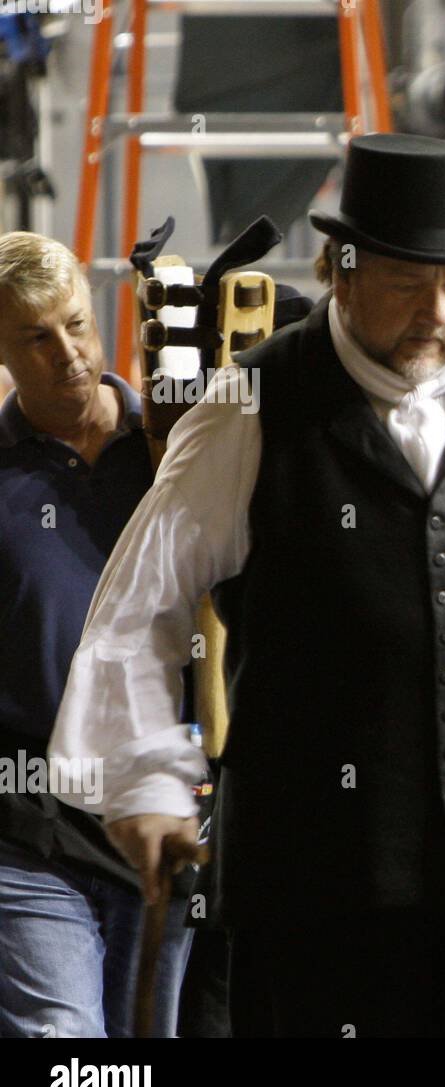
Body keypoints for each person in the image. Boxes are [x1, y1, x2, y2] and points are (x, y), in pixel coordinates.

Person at [49, 133, 445, 1037]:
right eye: (409, 283)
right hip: (325, 884)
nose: (438, 311)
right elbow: (134, 614)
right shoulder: (252, 406)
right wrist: (150, 784)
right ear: (342, 275)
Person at [0, 231, 193, 1037]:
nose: (68, 353)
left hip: (166, 816)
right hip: (29, 831)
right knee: (65, 1050)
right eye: (36, 338)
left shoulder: (179, 451)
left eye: (75, 324)